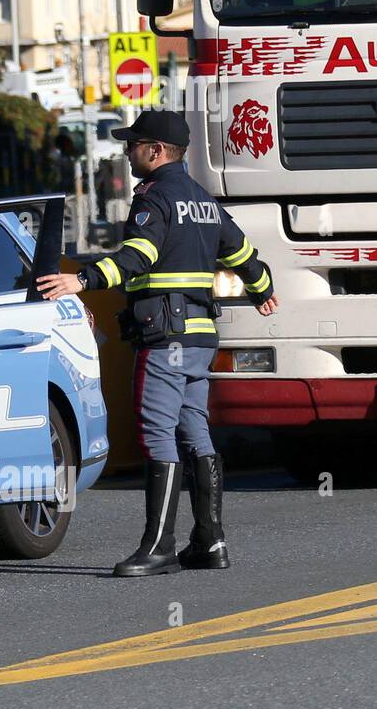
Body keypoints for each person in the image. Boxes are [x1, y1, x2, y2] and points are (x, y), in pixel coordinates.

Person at [37, 110, 278, 578]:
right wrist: (263, 290)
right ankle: (210, 543)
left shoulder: (155, 198)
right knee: (194, 431)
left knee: (156, 432)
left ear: (156, 151)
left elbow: (137, 257)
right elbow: (244, 254)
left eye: (133, 145)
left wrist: (81, 279)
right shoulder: (203, 200)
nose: (127, 152)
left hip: (164, 336)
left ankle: (159, 547)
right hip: (201, 337)